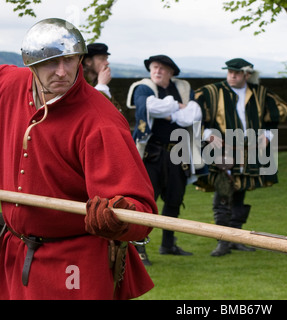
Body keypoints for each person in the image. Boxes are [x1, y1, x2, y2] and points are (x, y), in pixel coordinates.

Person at [0, 18, 158, 300]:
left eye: (70, 60)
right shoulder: (10, 85)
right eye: (51, 61)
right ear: (31, 63)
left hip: (75, 260)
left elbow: (141, 212)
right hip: (16, 250)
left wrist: (117, 215)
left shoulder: (101, 122)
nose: (62, 72)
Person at [195, 58, 287, 257]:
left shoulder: (260, 93)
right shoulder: (212, 92)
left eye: (237, 73)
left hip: (249, 149)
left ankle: (237, 239)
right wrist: (207, 134)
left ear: (247, 74)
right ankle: (223, 241)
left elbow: (279, 111)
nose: (232, 75)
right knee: (223, 192)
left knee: (240, 191)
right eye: (230, 72)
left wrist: (268, 134)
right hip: (223, 148)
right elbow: (193, 114)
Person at [126, 55, 202, 261]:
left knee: (174, 200)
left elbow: (194, 114)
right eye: (154, 67)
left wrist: (169, 110)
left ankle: (168, 245)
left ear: (171, 72)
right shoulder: (144, 87)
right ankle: (139, 249)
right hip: (152, 153)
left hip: (178, 152)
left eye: (162, 68)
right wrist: (178, 107)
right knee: (146, 202)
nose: (157, 71)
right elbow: (148, 107)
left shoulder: (183, 88)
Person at [82, 42, 123, 113]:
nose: (107, 62)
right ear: (88, 61)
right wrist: (102, 85)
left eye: (106, 58)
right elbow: (89, 109)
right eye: (102, 59)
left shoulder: (97, 81)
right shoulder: (79, 83)